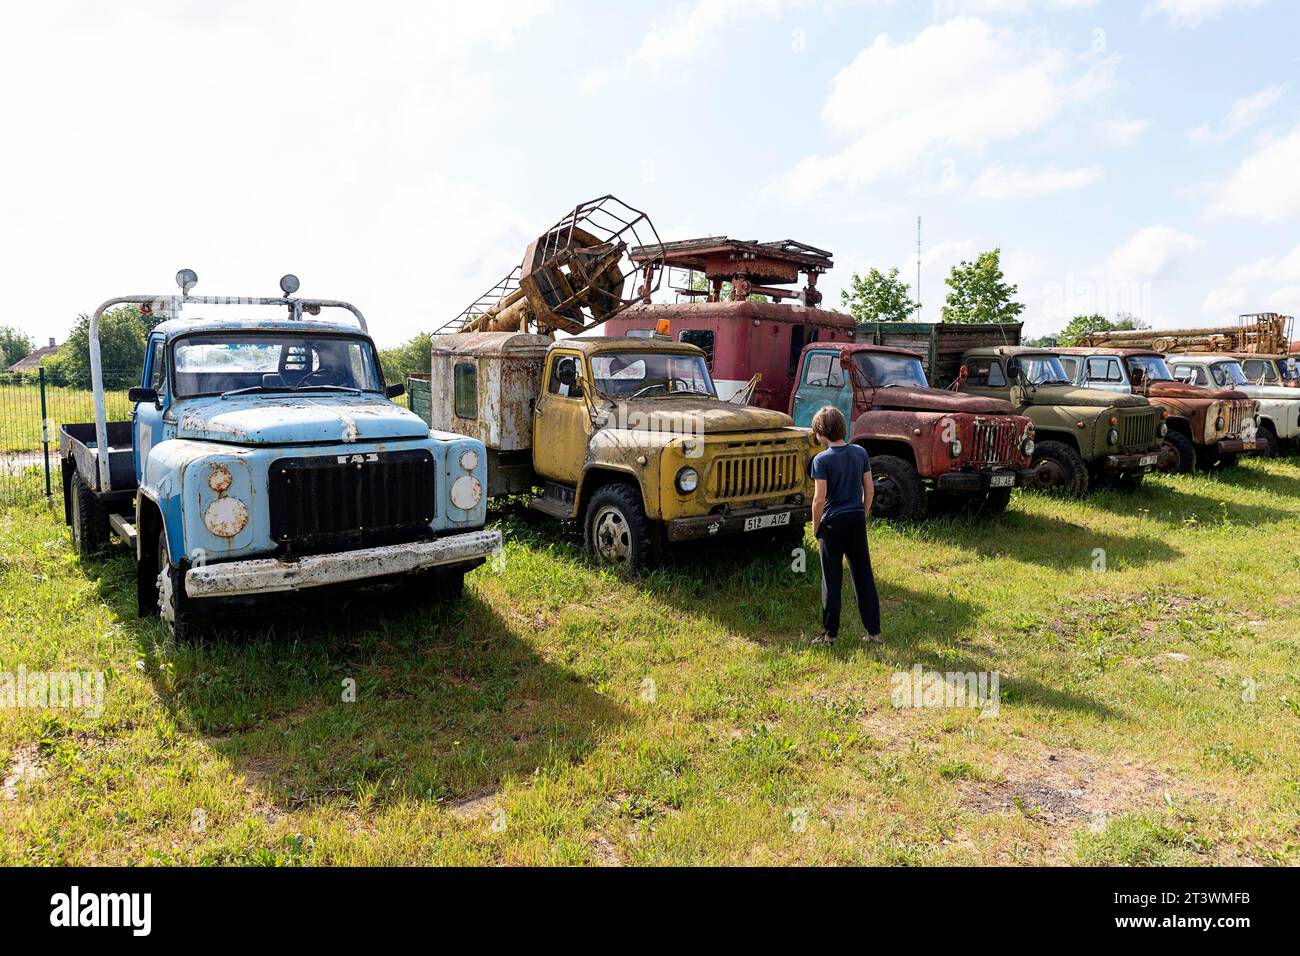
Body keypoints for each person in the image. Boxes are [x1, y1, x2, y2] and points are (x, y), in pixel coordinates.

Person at [808, 405, 882, 645]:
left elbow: (819, 499)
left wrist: (815, 526)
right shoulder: (860, 453)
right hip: (856, 519)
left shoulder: (821, 459)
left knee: (831, 579)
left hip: (831, 524)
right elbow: (869, 489)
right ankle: (874, 633)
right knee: (863, 576)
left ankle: (830, 635)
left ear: (822, 432)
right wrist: (862, 512)